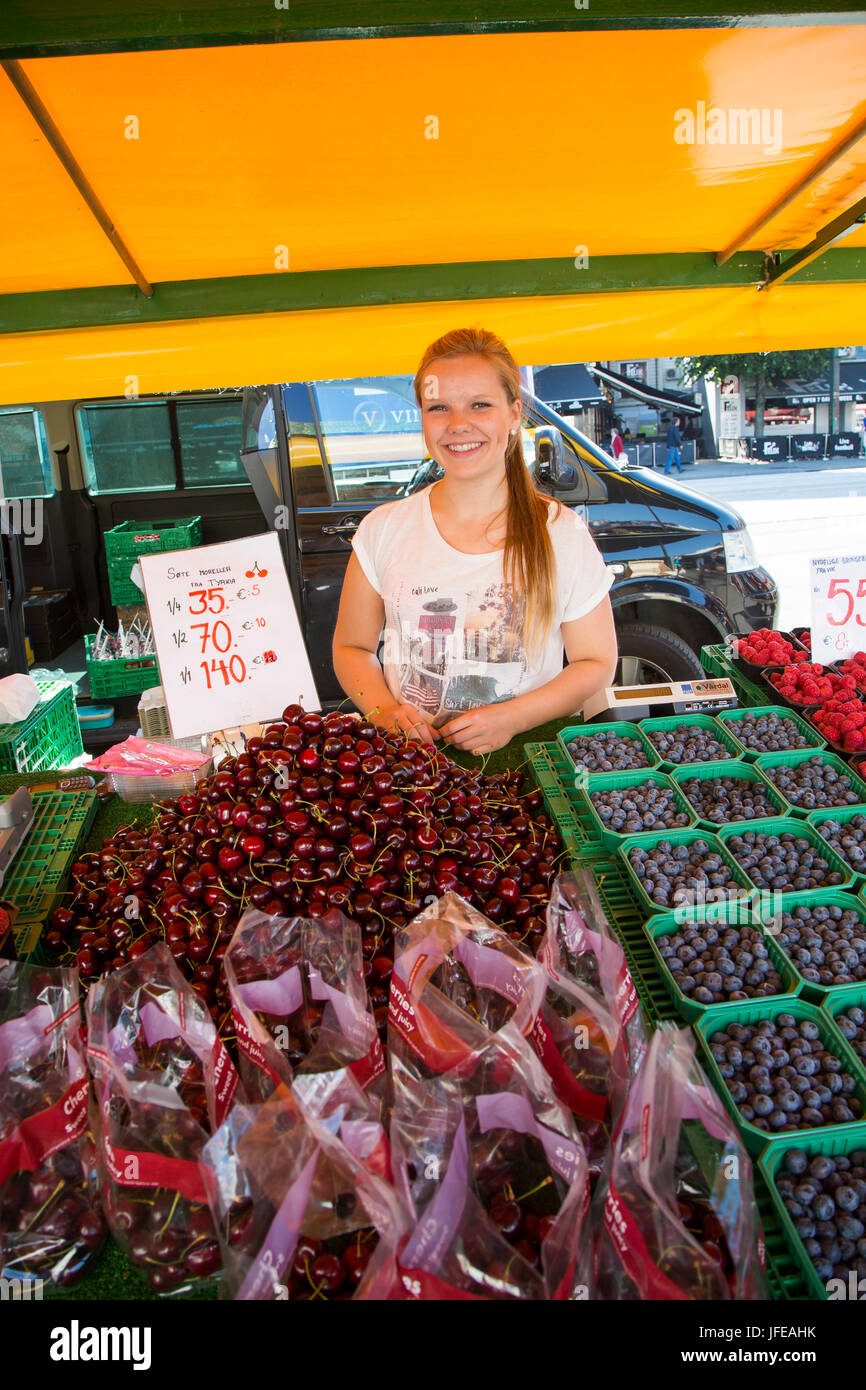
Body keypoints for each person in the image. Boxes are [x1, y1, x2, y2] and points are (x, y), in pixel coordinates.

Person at [332, 327, 618, 754]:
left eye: (480, 405)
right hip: (413, 768)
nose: (457, 425)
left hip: (528, 761)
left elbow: (596, 663)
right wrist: (384, 711)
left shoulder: (561, 533)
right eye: (439, 408)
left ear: (514, 413)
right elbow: (351, 646)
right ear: (422, 417)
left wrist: (513, 717)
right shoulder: (383, 529)